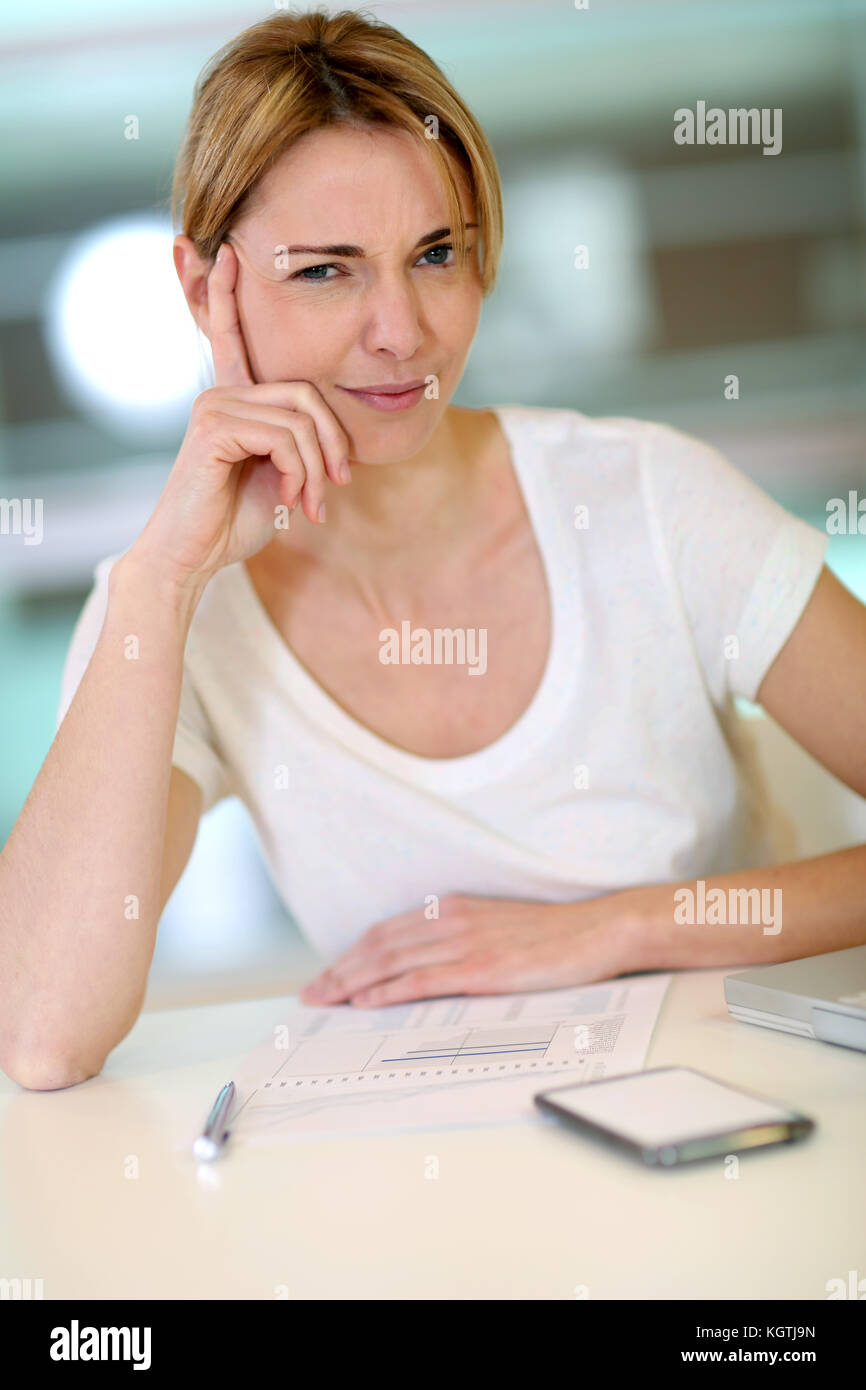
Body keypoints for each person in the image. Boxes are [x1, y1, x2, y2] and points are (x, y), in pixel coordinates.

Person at [2, 8, 865, 1092]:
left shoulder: (645, 498)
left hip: (717, 1143)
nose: (402, 332)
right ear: (201, 289)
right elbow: (41, 1031)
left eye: (434, 253)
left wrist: (611, 929)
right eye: (326, 270)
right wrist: (160, 581)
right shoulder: (171, 610)